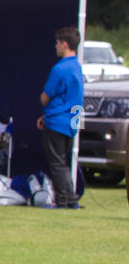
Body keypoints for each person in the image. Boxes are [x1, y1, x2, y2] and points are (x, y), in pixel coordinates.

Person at [38, 26, 84, 209]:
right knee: (63, 162)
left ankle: (65, 200)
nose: (55, 46)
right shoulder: (77, 67)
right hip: (72, 121)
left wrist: (47, 112)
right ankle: (70, 198)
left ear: (65, 44)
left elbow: (45, 97)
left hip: (57, 121)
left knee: (57, 163)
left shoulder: (60, 68)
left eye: (57, 43)